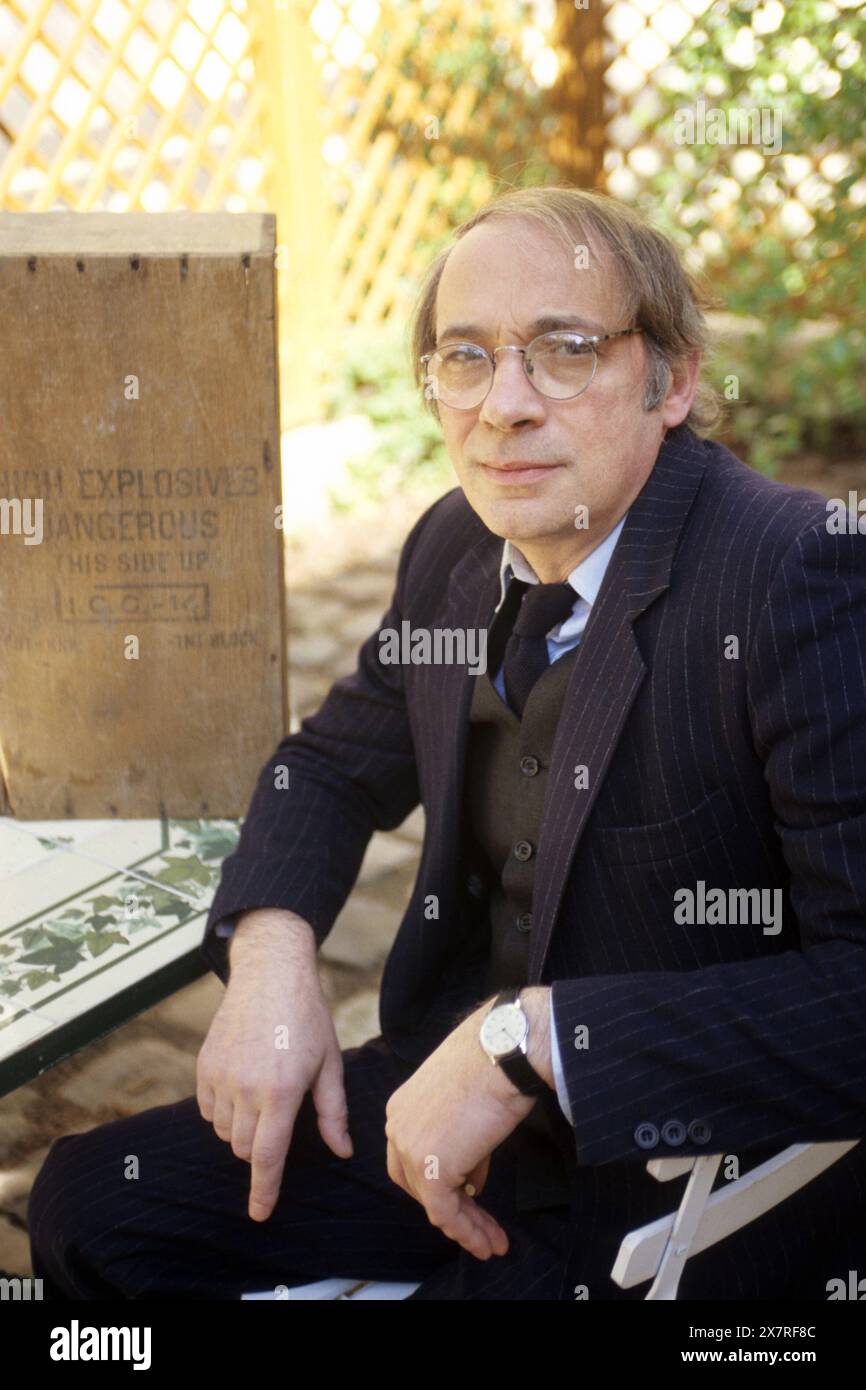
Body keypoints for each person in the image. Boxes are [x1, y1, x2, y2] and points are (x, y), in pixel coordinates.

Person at [28, 185, 866, 1301]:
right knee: (91, 1206)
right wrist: (272, 963)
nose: (502, 404)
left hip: (665, 1180)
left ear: (672, 378)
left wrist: (530, 1042)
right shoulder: (455, 547)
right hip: (426, 1101)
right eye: (463, 358)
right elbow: (326, 764)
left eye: (563, 350)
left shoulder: (797, 577)